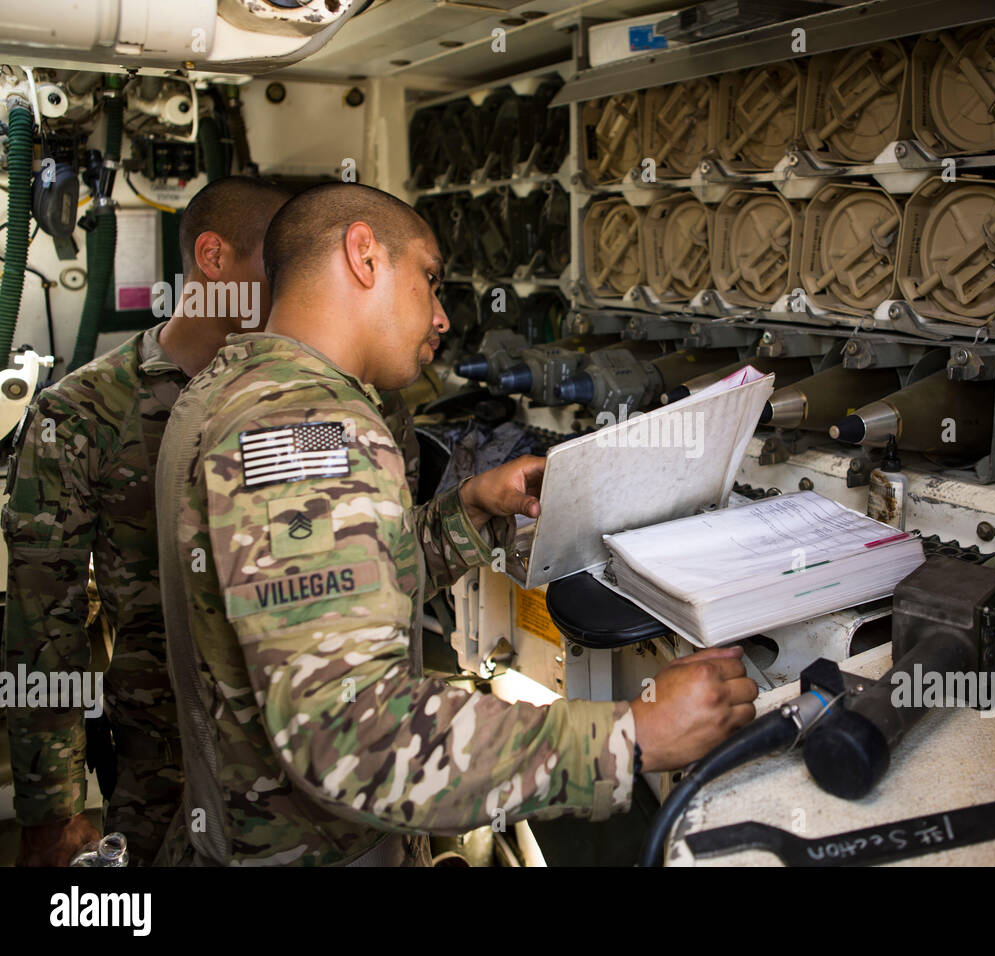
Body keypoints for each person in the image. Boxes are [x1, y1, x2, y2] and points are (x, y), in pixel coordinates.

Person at [155, 182, 758, 866]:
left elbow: (300, 591)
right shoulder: (314, 428)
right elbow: (350, 736)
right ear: (364, 255)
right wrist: (634, 733)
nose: (441, 318)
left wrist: (468, 512)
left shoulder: (228, 388)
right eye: (430, 279)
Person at [2, 177, 301, 866]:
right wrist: (53, 809)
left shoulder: (301, 401)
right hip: (162, 770)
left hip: (299, 766)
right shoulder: (83, 413)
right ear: (214, 260)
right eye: (281, 266)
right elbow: (45, 623)